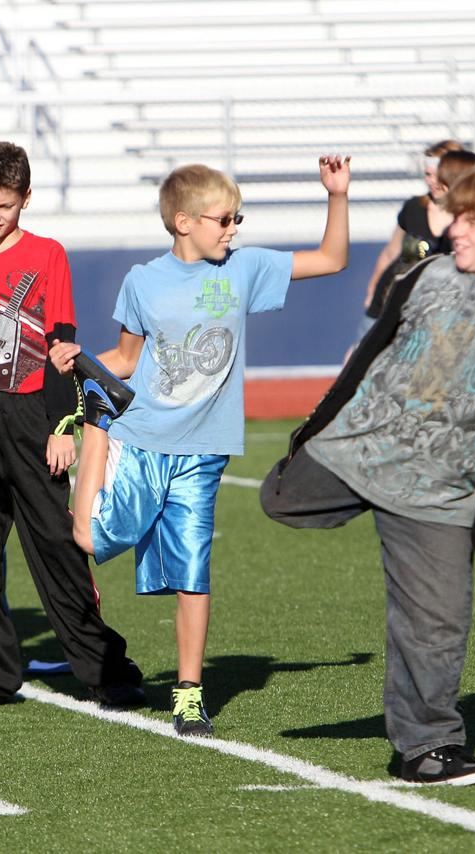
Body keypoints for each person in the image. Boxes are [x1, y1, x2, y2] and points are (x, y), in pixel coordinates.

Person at [260, 163, 475, 786]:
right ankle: (351, 490)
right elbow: (369, 355)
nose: (454, 229)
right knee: (277, 498)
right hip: (360, 453)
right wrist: (317, 428)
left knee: (436, 624)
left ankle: (429, 746)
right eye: (455, 216)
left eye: (471, 221)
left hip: (441, 494)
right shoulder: (423, 274)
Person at [49, 155, 352, 737]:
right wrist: (75, 362)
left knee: (193, 571)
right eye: (224, 219)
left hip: (203, 451)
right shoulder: (142, 281)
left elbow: (332, 259)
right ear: (183, 221)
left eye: (238, 219)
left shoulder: (244, 269)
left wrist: (336, 195)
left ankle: (189, 694)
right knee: (89, 537)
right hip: (138, 438)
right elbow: (126, 360)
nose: (233, 230)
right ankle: (97, 426)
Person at [0, 141, 144, 711]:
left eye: (5, 205)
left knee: (55, 543)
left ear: (25, 198)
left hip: (31, 413)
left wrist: (62, 425)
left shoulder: (48, 254)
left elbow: (62, 345)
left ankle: (104, 668)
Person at [362, 140, 466, 329]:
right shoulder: (414, 208)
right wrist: (372, 289)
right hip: (388, 307)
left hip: (434, 317)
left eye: (438, 175)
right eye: (428, 174)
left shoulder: (468, 219)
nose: (432, 182)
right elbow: (391, 253)